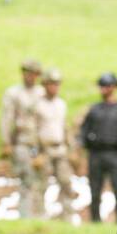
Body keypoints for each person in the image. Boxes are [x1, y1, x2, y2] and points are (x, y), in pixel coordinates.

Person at [79, 72, 117, 222]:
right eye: (101, 86)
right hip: (96, 153)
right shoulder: (94, 109)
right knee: (94, 191)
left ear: (113, 87)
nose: (102, 89)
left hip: (115, 153)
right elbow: (83, 132)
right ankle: (95, 222)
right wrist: (80, 152)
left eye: (106, 86)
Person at [1, 58, 44, 218]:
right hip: (22, 141)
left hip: (38, 144)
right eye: (28, 73)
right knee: (26, 178)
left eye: (34, 74)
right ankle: (25, 216)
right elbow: (7, 119)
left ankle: (40, 215)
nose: (30, 77)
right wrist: (6, 142)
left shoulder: (41, 92)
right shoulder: (14, 93)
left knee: (41, 180)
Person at [33, 69, 74, 220]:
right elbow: (33, 131)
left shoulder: (61, 104)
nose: (54, 87)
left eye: (57, 84)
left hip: (60, 148)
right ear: (45, 85)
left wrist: (71, 147)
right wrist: (34, 153)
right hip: (44, 149)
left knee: (65, 181)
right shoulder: (38, 105)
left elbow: (64, 127)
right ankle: (38, 215)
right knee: (41, 183)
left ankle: (67, 214)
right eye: (51, 84)